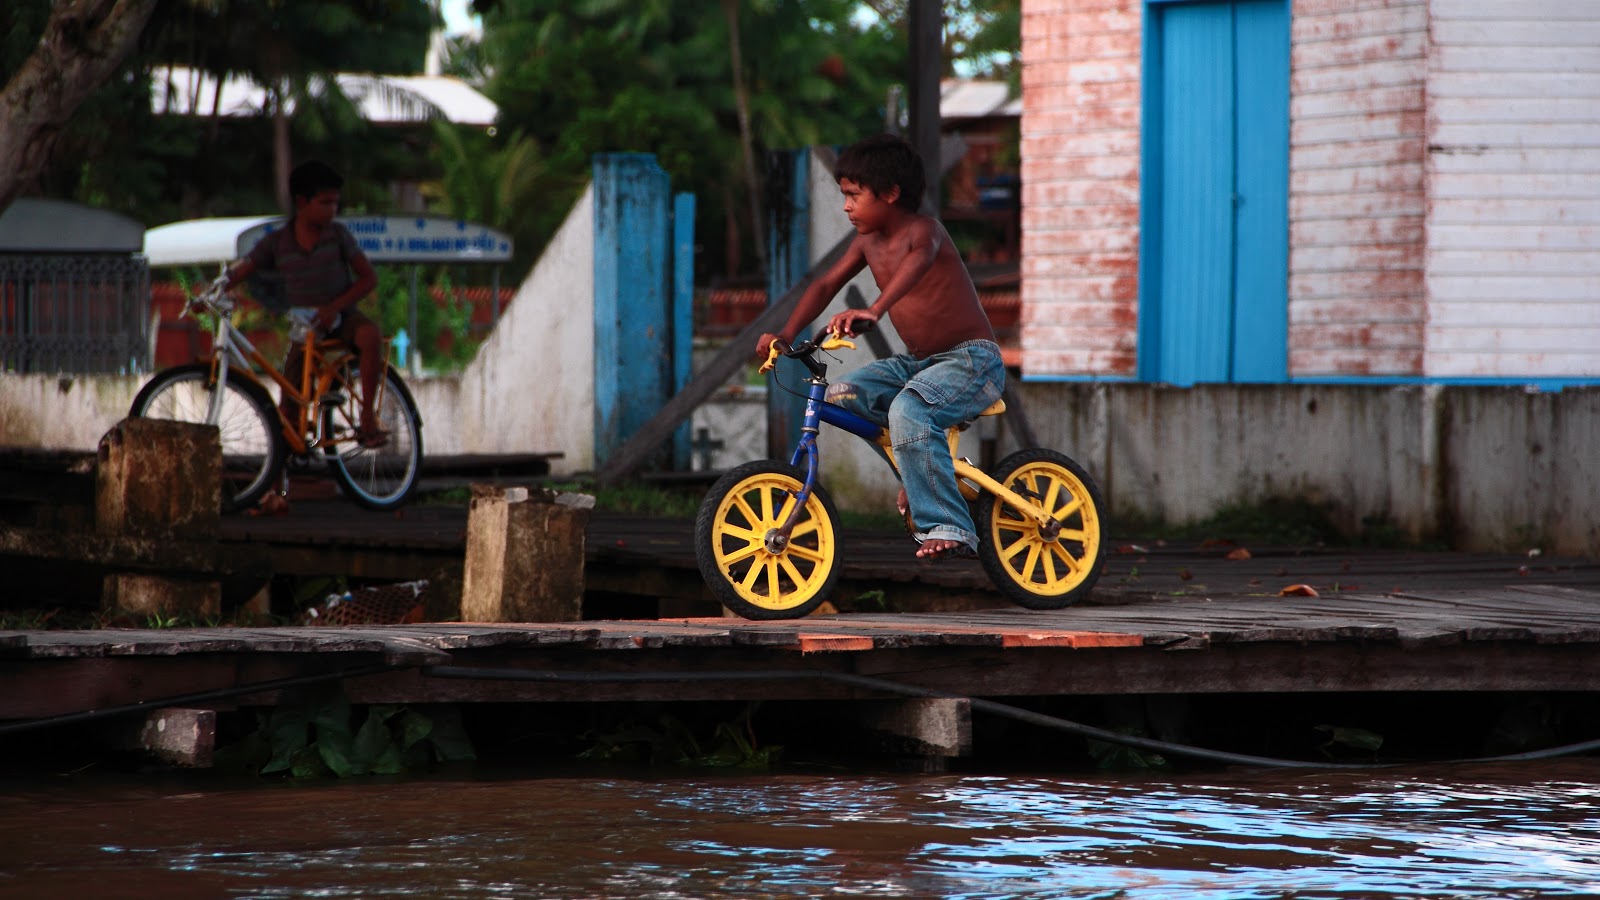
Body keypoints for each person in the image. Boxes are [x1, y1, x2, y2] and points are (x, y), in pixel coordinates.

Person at [756, 134, 1004, 560]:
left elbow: (918, 263)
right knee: (843, 396)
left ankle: (948, 522)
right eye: (843, 195)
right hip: (919, 364)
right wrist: (786, 334)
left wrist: (876, 308)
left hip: (971, 360)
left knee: (909, 410)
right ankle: (918, 473)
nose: (846, 206)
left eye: (854, 195)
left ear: (890, 194)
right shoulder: (865, 242)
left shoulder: (925, 231)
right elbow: (826, 284)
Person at [223, 159, 387, 450]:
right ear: (302, 202)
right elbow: (244, 268)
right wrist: (216, 288)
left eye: (335, 203)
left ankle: (367, 416)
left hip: (342, 317)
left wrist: (335, 307)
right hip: (305, 330)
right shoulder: (278, 243)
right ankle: (279, 489)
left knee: (370, 335)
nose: (332, 210)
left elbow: (368, 278)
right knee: (287, 410)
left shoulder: (338, 236)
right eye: (325, 203)